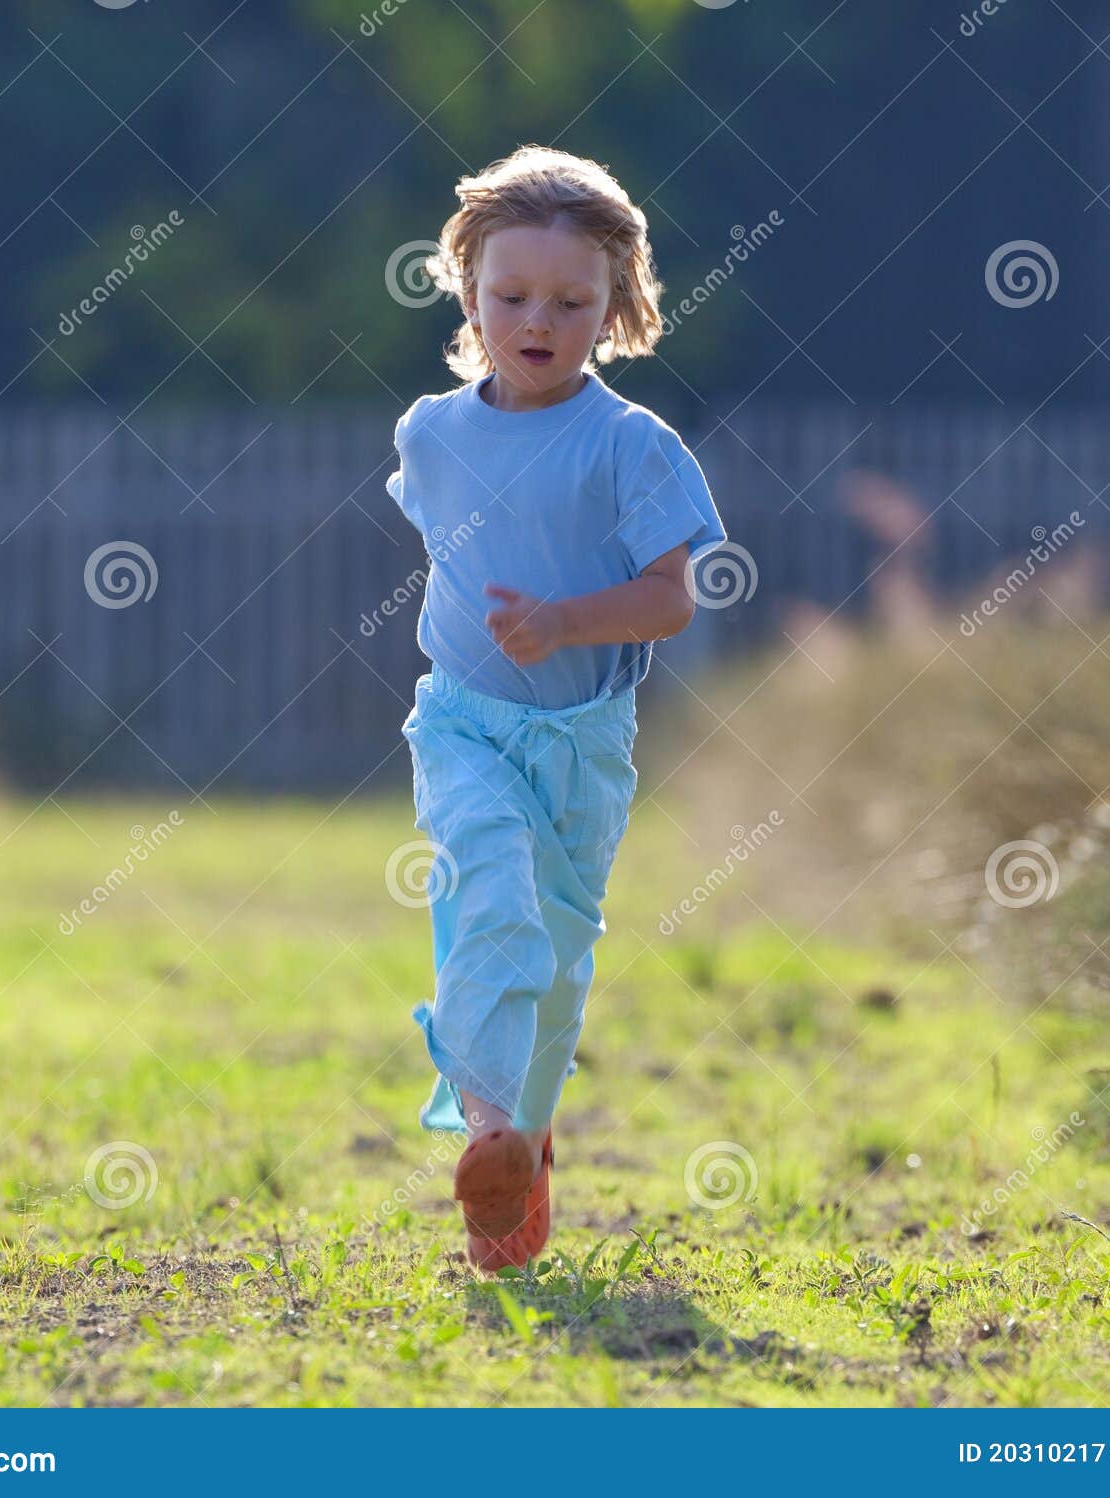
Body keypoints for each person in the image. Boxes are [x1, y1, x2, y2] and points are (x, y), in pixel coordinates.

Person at [385, 144, 728, 1271]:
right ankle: (485, 1124)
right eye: (511, 296)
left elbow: (671, 601)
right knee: (491, 895)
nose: (538, 320)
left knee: (560, 958)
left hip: (583, 739)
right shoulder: (430, 434)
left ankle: (522, 1149)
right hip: (465, 720)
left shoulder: (631, 445)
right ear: (467, 293)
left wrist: (565, 622)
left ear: (616, 308)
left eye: (572, 302)